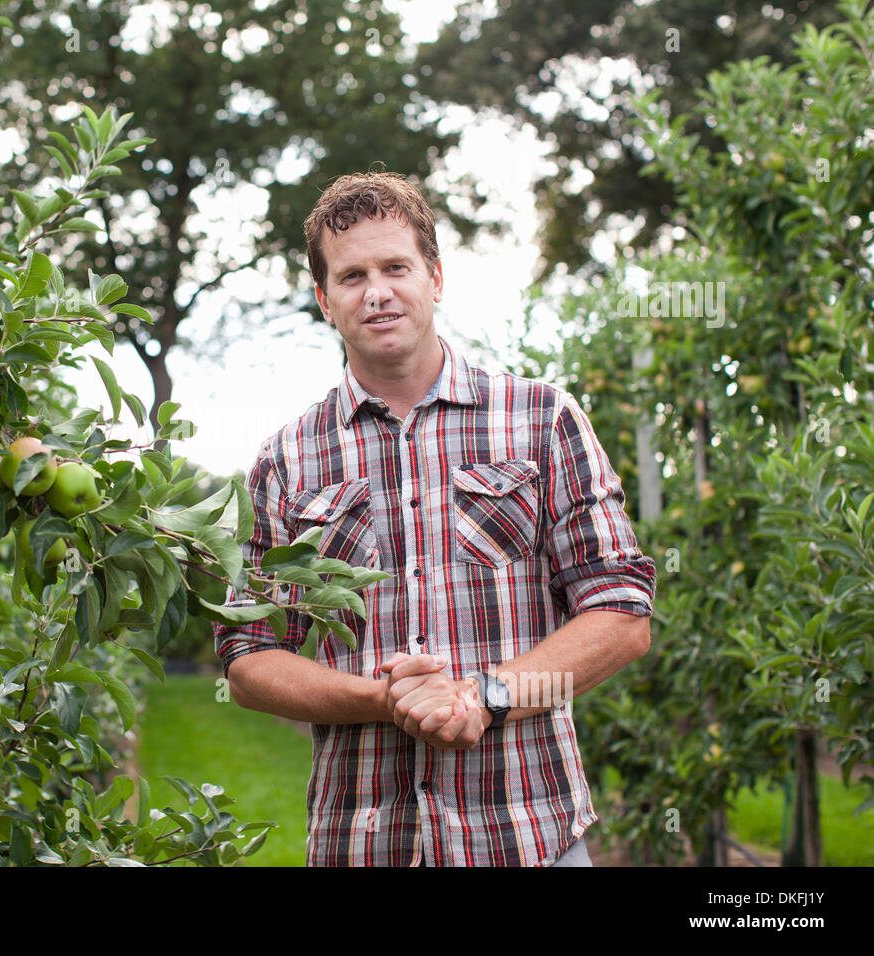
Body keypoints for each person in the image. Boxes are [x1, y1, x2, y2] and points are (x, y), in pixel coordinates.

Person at [213, 171, 657, 867]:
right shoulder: (287, 460)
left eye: (396, 266)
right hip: (363, 841)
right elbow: (248, 660)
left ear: (436, 278)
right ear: (327, 302)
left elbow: (623, 616)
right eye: (352, 276)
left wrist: (487, 696)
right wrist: (382, 700)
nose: (378, 291)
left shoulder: (542, 419)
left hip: (528, 834)